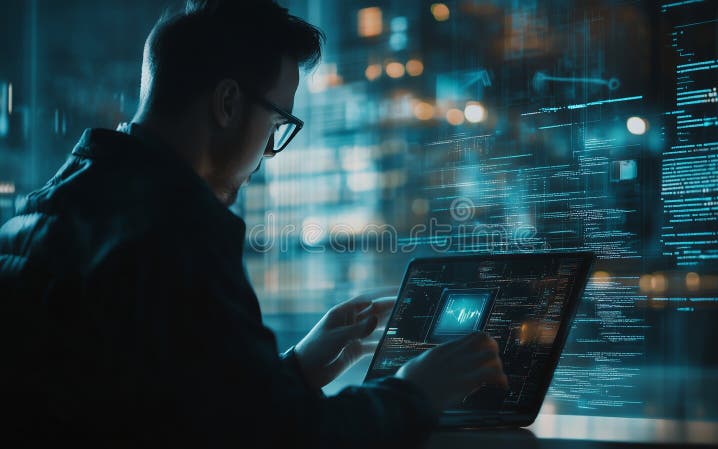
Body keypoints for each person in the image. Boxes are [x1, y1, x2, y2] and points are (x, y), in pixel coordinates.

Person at [0, 1, 508, 447]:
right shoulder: (170, 232)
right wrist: (417, 391)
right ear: (227, 103)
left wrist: (301, 367)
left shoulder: (58, 204)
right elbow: (282, 441)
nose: (268, 152)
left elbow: (173, 410)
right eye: (277, 123)